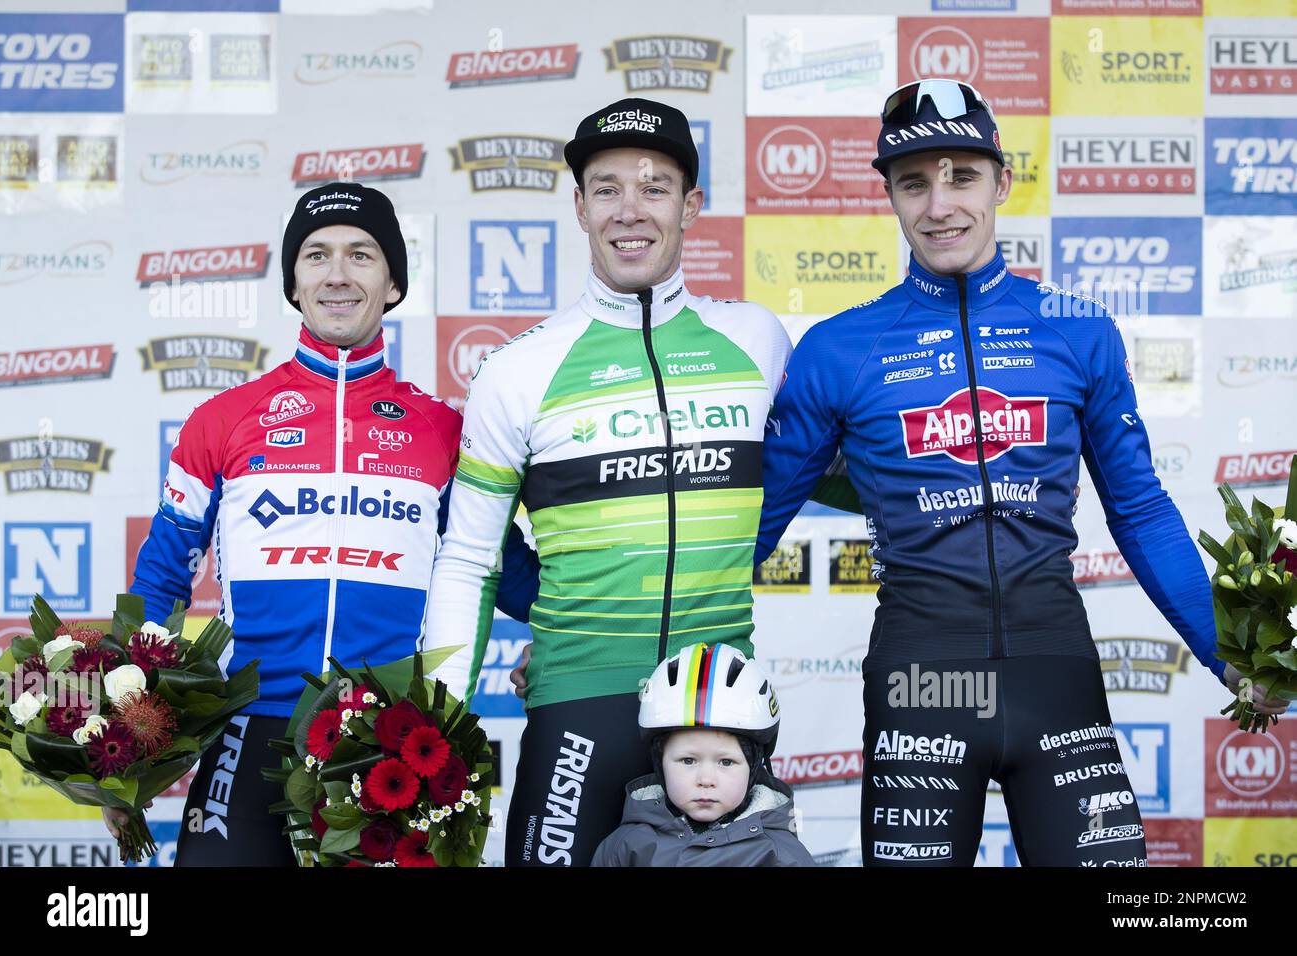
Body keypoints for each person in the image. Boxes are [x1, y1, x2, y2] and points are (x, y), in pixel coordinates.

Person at [754, 79, 1288, 867]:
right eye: (914, 183)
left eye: (962, 176)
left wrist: (1235, 657)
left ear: (1002, 181)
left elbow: (1139, 511)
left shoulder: (1078, 329)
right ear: (891, 196)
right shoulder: (839, 348)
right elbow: (750, 523)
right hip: (921, 682)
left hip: (1054, 672)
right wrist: (613, 641)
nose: (940, 206)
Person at [109, 182, 538, 866]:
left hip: (388, 743)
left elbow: (506, 572)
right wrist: (122, 723)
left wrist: (564, 643)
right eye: (316, 255)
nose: (338, 274)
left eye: (361, 254)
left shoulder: (443, 431)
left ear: (393, 282)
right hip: (251, 727)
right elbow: (162, 574)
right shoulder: (223, 420)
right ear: (294, 283)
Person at [424, 97, 793, 867]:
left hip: (716, 711)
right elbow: (469, 558)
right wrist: (443, 712)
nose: (631, 210)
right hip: (578, 702)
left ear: (691, 206)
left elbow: (832, 471)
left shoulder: (757, 340)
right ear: (580, 206)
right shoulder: (518, 369)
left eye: (655, 188)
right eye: (608, 187)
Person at [592, 643, 815, 867]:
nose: (706, 780)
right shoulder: (627, 845)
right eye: (688, 760)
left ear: (754, 766)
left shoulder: (779, 856)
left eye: (726, 762)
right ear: (659, 763)